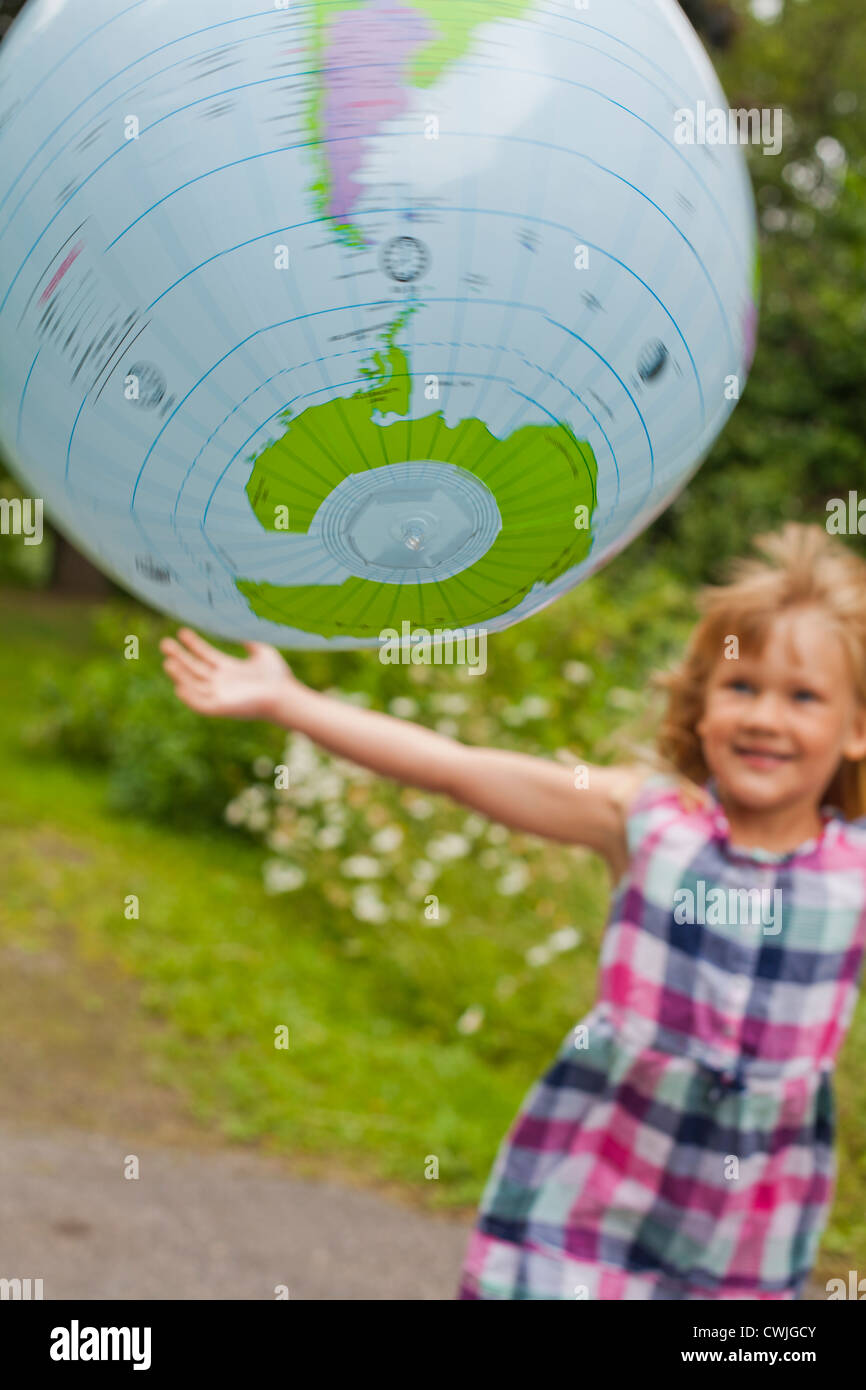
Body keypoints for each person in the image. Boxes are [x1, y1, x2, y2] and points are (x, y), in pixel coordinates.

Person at [160, 523, 866, 1300]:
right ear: (701, 708)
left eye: (803, 697)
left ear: (856, 729)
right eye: (741, 687)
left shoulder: (854, 869)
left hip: (751, 1208)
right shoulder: (645, 819)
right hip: (601, 1168)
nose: (766, 716)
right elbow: (455, 770)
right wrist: (289, 702)